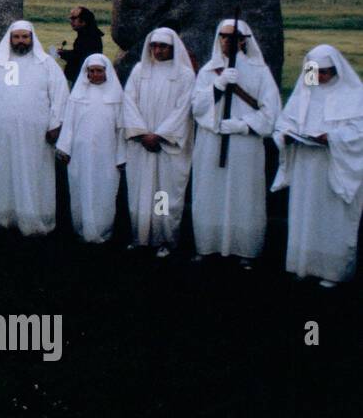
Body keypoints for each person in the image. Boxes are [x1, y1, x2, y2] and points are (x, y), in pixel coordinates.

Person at [190, 19, 281, 268]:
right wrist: (217, 86)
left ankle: (245, 248)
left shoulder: (259, 71)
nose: (227, 41)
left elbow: (271, 113)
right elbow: (196, 108)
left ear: (243, 40)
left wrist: (242, 125)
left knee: (244, 194)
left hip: (244, 145)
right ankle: (208, 244)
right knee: (209, 192)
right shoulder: (209, 71)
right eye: (223, 36)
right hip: (212, 141)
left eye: (233, 37)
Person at [271, 45, 363, 287]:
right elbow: (284, 122)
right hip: (305, 164)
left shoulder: (354, 94)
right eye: (314, 71)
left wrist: (332, 138)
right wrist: (285, 135)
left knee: (331, 217)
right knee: (305, 214)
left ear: (336, 70)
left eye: (324, 72)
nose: (318, 76)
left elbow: (359, 132)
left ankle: (332, 271)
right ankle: (304, 264)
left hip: (333, 166)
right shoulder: (304, 92)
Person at [0, 20, 69, 236]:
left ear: (32, 38)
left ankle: (33, 214)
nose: (20, 41)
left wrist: (55, 124)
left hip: (36, 133)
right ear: (9, 39)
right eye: (16, 37)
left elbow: (60, 94)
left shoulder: (46, 64)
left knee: (33, 170)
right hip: (1, 131)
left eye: (25, 37)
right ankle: (0, 214)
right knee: (2, 169)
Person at [121, 28, 195, 257]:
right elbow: (129, 102)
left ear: (173, 48)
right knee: (140, 192)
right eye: (154, 45)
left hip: (166, 146)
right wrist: (142, 133)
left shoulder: (184, 75)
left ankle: (164, 238)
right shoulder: (140, 71)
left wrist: (160, 135)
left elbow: (183, 110)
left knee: (162, 194)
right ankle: (140, 236)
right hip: (142, 145)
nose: (158, 50)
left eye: (163, 46)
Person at [55, 54, 126, 244]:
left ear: (106, 72)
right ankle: (82, 228)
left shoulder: (116, 97)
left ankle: (103, 229)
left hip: (107, 153)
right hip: (81, 153)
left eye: (99, 71)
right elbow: (69, 124)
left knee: (105, 190)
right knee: (81, 188)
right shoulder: (77, 96)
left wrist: (121, 156)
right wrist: (65, 148)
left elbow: (121, 129)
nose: (95, 75)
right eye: (91, 71)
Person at [56, 7, 104, 86]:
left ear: (84, 20)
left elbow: (81, 57)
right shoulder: (85, 34)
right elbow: (79, 52)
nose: (71, 22)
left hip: (83, 81)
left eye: (74, 18)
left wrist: (64, 54)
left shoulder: (90, 36)